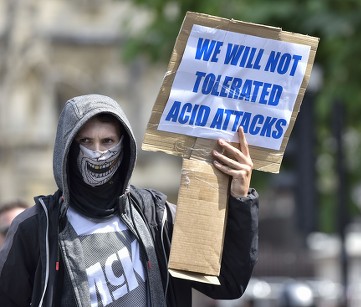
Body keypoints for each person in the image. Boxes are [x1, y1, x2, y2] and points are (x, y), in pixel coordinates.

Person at [0, 94, 259, 307]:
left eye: (108, 141)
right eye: (86, 141)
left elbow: (227, 282)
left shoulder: (158, 219)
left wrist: (240, 198)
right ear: (67, 148)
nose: (98, 152)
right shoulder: (37, 228)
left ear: (124, 146)